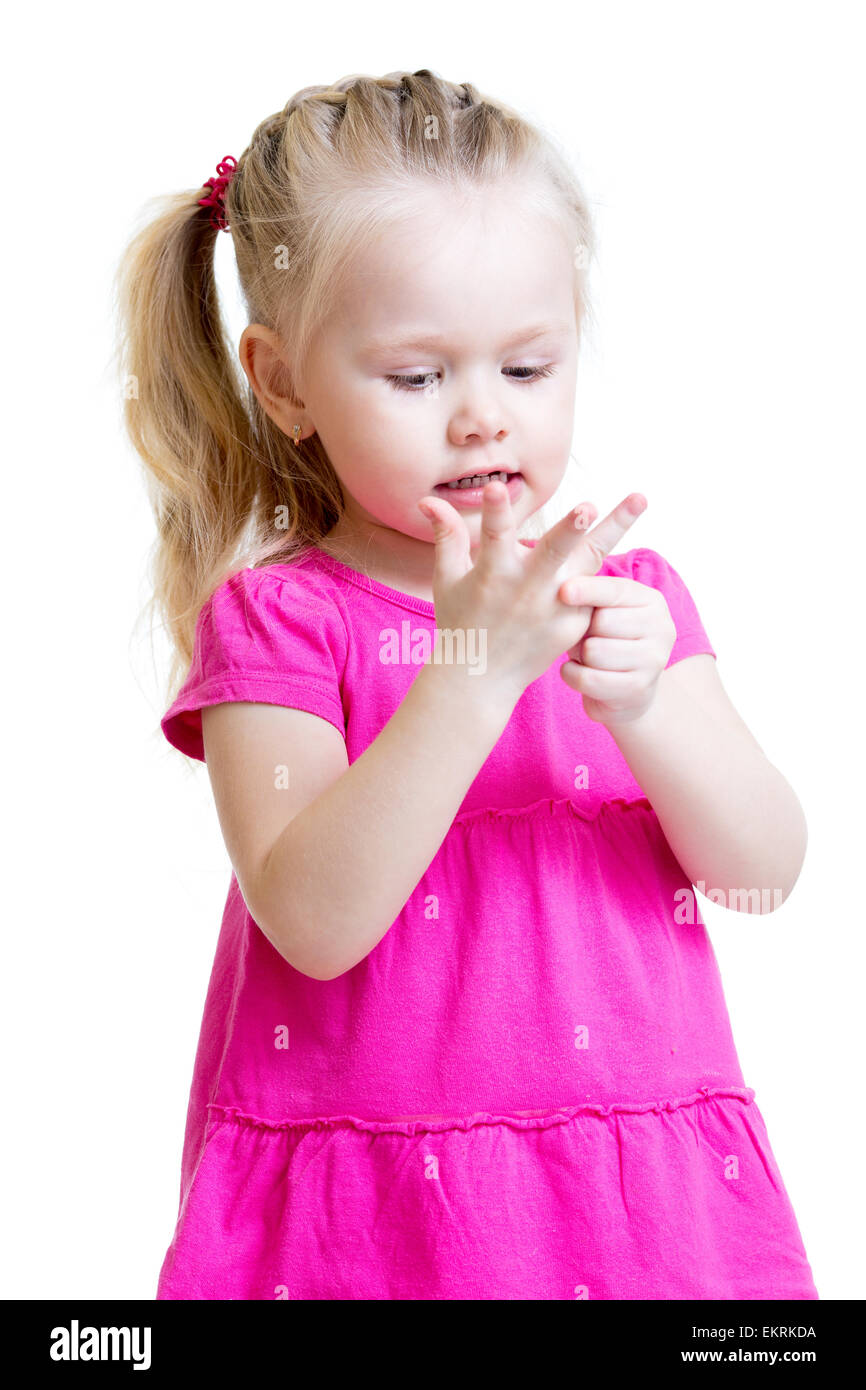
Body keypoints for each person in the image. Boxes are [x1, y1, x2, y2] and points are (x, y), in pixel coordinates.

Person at [114, 68, 818, 1300]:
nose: (482, 419)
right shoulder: (278, 624)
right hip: (377, 1227)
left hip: (633, 1208)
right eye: (417, 377)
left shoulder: (625, 593)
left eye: (528, 369)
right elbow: (314, 921)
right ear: (282, 384)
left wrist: (651, 707)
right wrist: (467, 679)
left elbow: (762, 867)